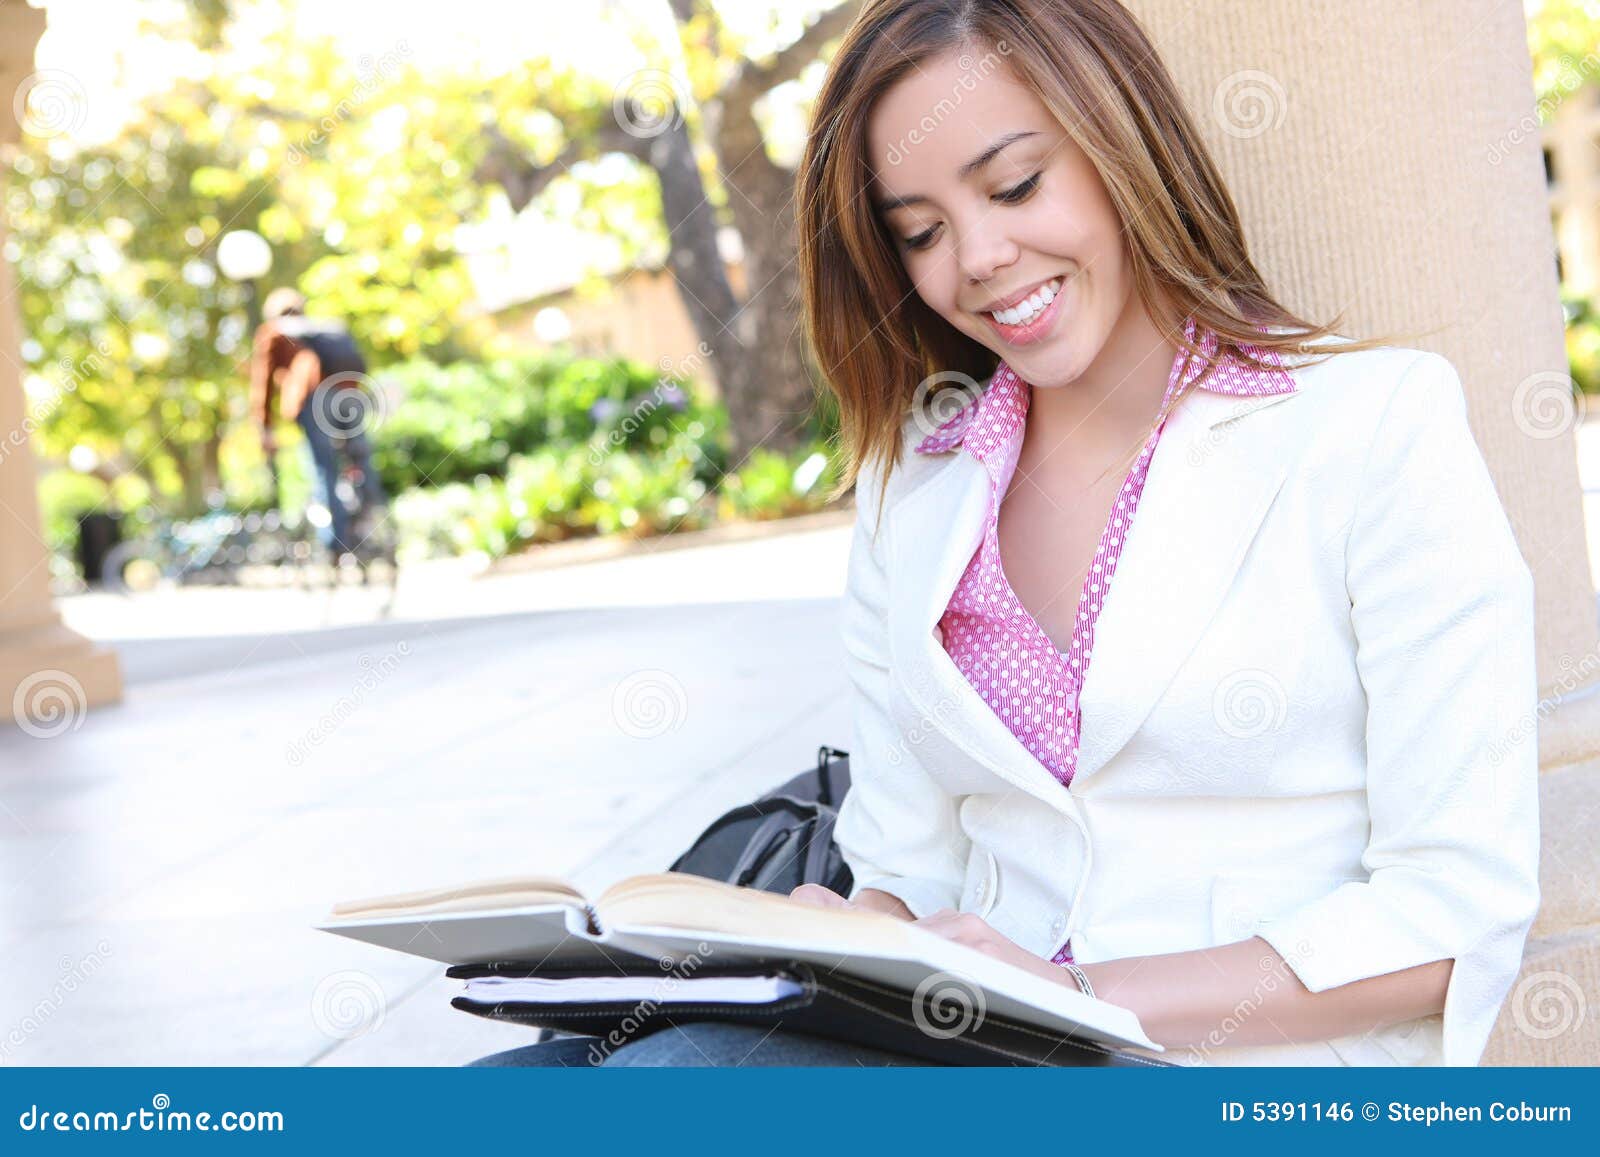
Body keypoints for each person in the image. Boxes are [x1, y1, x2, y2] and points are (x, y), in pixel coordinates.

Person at [468, 0, 1539, 1068]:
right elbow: (906, 860)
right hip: (961, 1053)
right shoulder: (916, 489)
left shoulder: (1371, 426)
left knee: (673, 1081)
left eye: (1016, 184)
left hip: (1239, 1073)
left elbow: (1455, 913)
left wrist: (1070, 991)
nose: (975, 257)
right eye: (920, 232)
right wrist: (846, 929)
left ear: (1126, 146)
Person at [249, 287, 389, 561]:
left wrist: (265, 427)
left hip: (314, 401)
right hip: (349, 396)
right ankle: (371, 520)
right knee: (358, 460)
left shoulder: (273, 332)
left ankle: (337, 545)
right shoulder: (320, 330)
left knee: (324, 470)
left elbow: (263, 384)